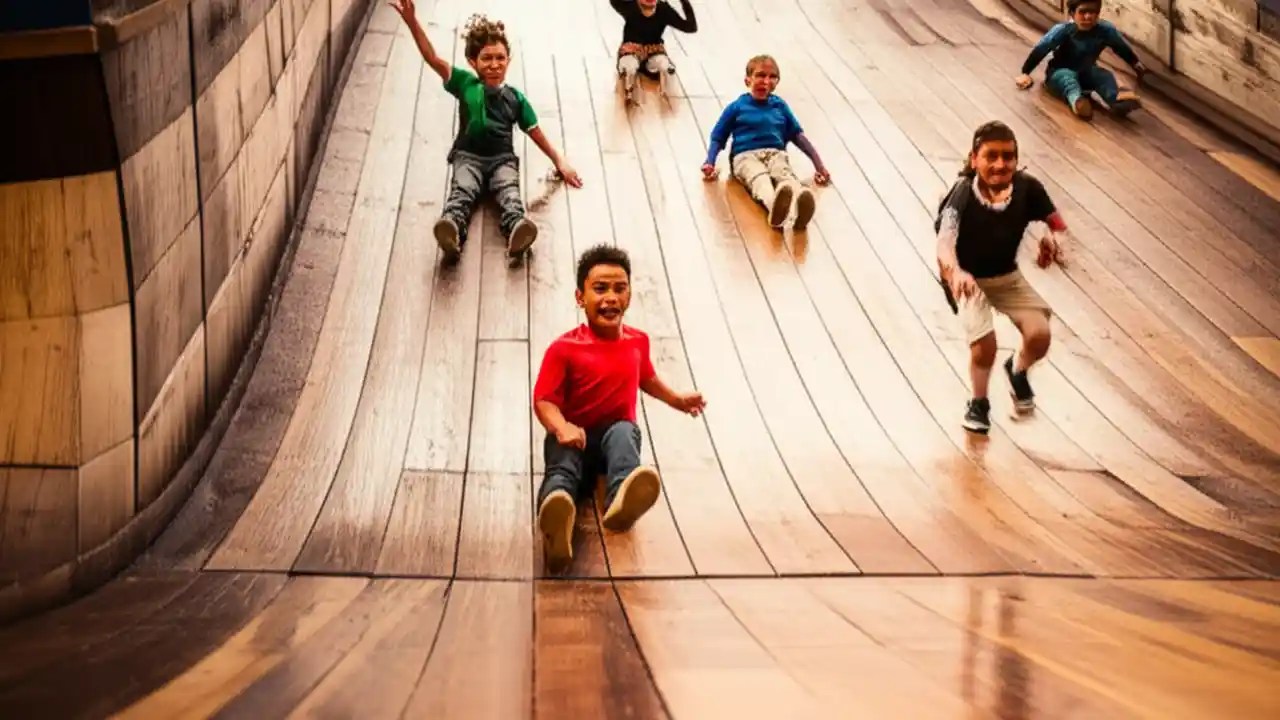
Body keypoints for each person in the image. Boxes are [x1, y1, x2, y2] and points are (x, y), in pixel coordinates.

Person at [533, 245, 706, 568]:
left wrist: (677, 400)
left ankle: (621, 499)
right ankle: (556, 516)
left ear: (629, 295)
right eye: (600, 289)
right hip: (574, 438)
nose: (611, 297)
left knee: (625, 433)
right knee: (562, 470)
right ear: (580, 297)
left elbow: (647, 378)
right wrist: (561, 428)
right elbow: (544, 400)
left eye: (619, 288)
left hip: (611, 446)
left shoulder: (637, 341)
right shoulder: (563, 349)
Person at [389, 2, 583, 261]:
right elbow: (432, 58)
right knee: (463, 190)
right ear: (473, 61)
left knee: (509, 191)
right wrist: (412, 22)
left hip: (501, 159)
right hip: (468, 157)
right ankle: (452, 228)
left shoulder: (514, 98)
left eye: (500, 58)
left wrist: (559, 160)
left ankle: (517, 229)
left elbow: (535, 131)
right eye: (487, 58)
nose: (494, 64)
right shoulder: (464, 83)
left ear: (508, 61)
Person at [935, 121, 1068, 434]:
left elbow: (1058, 225)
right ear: (974, 159)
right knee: (985, 347)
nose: (1000, 164)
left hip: (1006, 276)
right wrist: (957, 273)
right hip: (967, 280)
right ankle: (978, 403)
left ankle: (1018, 371)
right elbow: (944, 244)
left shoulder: (1028, 189)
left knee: (1039, 335)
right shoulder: (963, 193)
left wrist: (1055, 242)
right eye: (990, 156)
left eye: (1008, 156)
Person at [702, 54, 830, 230]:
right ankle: (775, 209)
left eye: (772, 77)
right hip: (745, 156)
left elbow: (798, 136)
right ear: (748, 80)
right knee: (760, 179)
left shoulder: (779, 106)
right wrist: (710, 161)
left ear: (777, 82)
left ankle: (799, 206)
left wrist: (819, 166)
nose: (766, 81)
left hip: (776, 153)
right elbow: (718, 136)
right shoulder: (737, 107)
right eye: (761, 75)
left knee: (785, 176)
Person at [1014, 0, 1147, 120]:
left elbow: (1121, 47)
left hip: (1086, 71)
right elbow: (1042, 48)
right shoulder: (1063, 30)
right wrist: (1025, 72)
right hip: (1060, 71)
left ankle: (1117, 100)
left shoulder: (1105, 30)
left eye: (1092, 12)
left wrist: (1135, 64)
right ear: (1073, 13)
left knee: (1103, 76)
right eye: (1083, 12)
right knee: (1068, 79)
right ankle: (1078, 102)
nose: (1088, 17)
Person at [609, 0, 698, 104]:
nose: (648, 11)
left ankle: (660, 90)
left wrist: (684, 2)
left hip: (653, 53)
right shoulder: (631, 7)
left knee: (662, 63)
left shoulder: (663, 10)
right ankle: (628, 89)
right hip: (632, 52)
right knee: (630, 65)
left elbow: (690, 27)